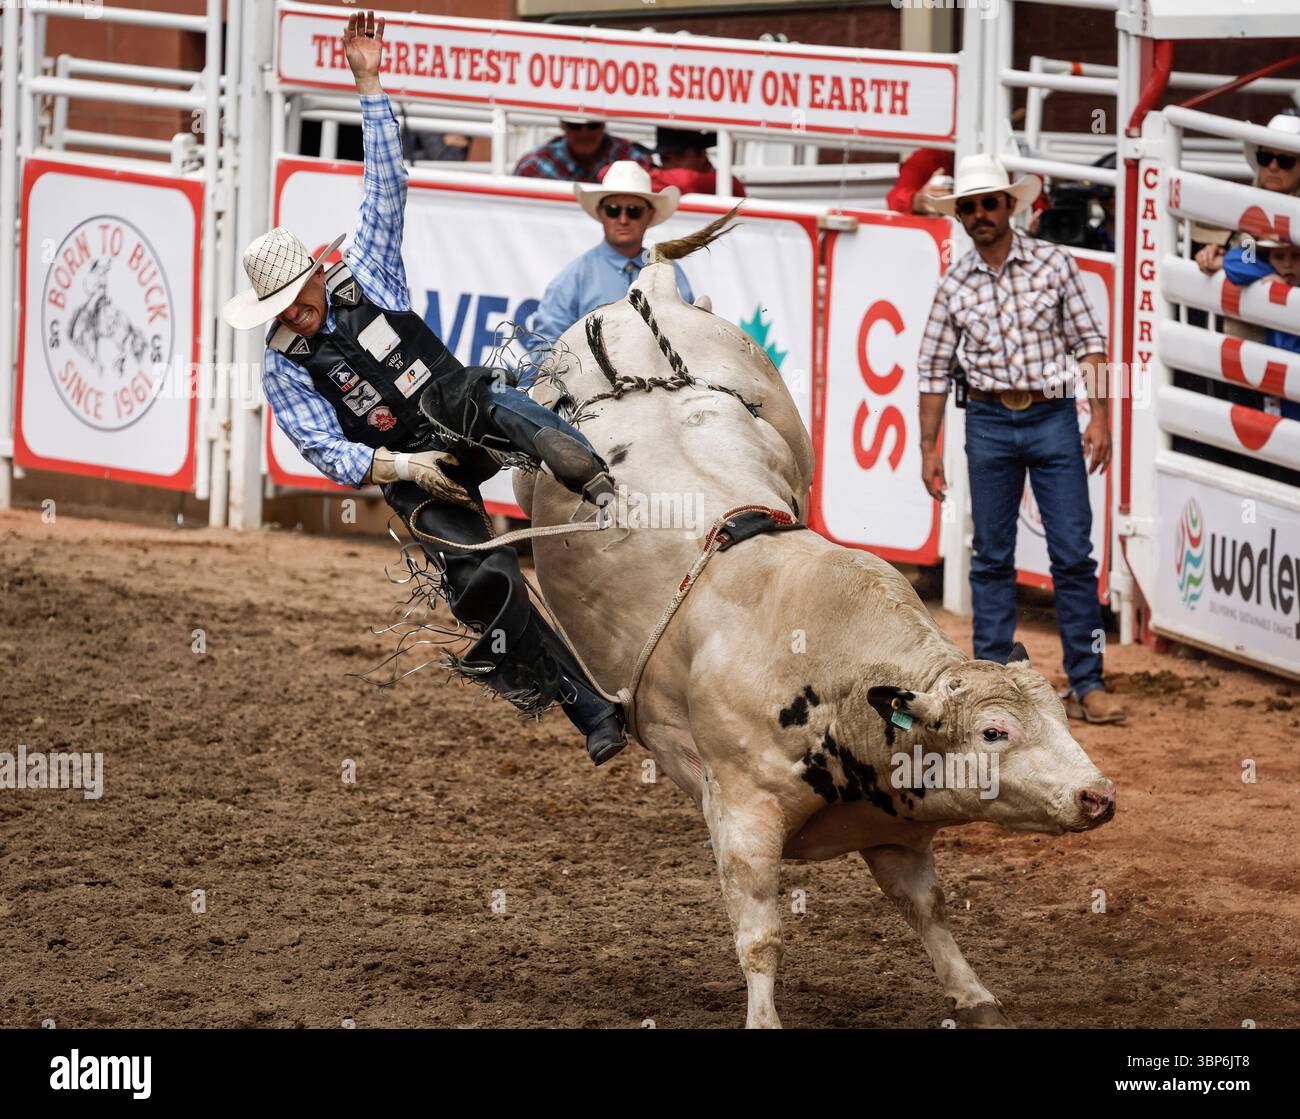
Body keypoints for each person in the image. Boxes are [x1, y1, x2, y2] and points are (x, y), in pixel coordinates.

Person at [221, 12, 628, 765]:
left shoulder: (363, 272)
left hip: (451, 403)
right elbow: (325, 449)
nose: (299, 318)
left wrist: (368, 81)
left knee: (498, 403)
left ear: (315, 272)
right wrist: (404, 469)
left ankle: (602, 479)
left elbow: (385, 183)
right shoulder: (282, 362)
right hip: (407, 467)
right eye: (284, 313)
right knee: (486, 577)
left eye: (300, 301)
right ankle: (592, 713)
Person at [916, 154, 1125, 725]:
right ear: (959, 215)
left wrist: (1100, 417)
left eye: (988, 202)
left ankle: (1087, 680)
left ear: (1011, 205)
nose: (980, 214)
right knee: (991, 556)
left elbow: (1091, 344)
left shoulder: (1053, 264)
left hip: (1052, 416)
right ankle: (995, 683)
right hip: (987, 419)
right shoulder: (954, 283)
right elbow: (932, 370)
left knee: (1073, 556)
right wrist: (927, 448)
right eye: (969, 206)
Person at [532, 161, 695, 346]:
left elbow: (690, 339)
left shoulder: (670, 272)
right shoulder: (574, 278)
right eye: (613, 210)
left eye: (634, 211)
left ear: (649, 214)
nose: (623, 220)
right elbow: (544, 347)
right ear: (601, 213)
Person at [513, 118, 652, 183]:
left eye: (593, 125)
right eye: (575, 125)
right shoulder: (533, 166)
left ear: (603, 125)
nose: (584, 134)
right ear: (563, 125)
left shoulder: (633, 157)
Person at [650, 127, 746, 197]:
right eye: (665, 158)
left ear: (701, 155)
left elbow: (688, 182)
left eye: (679, 155)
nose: (672, 164)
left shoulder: (728, 183)